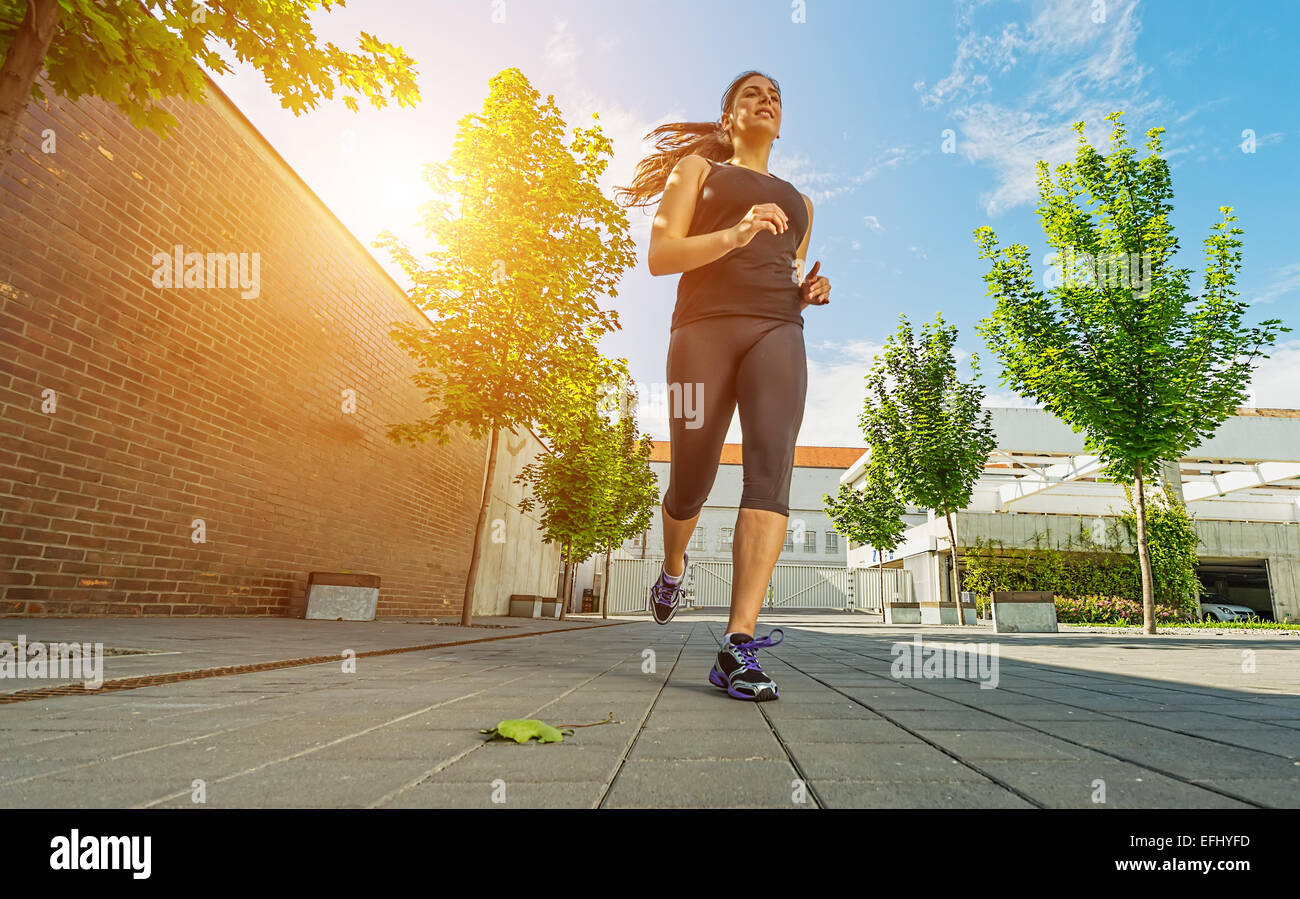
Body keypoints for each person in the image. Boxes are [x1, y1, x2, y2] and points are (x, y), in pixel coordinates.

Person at [614, 70, 831, 701]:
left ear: (781, 121)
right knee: (691, 475)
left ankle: (738, 645)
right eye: (750, 95)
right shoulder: (697, 172)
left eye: (775, 97)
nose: (765, 101)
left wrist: (808, 291)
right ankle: (673, 567)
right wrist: (736, 232)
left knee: (771, 467)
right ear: (729, 118)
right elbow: (660, 256)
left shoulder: (800, 202)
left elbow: (789, 271)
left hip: (778, 330)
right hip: (699, 333)